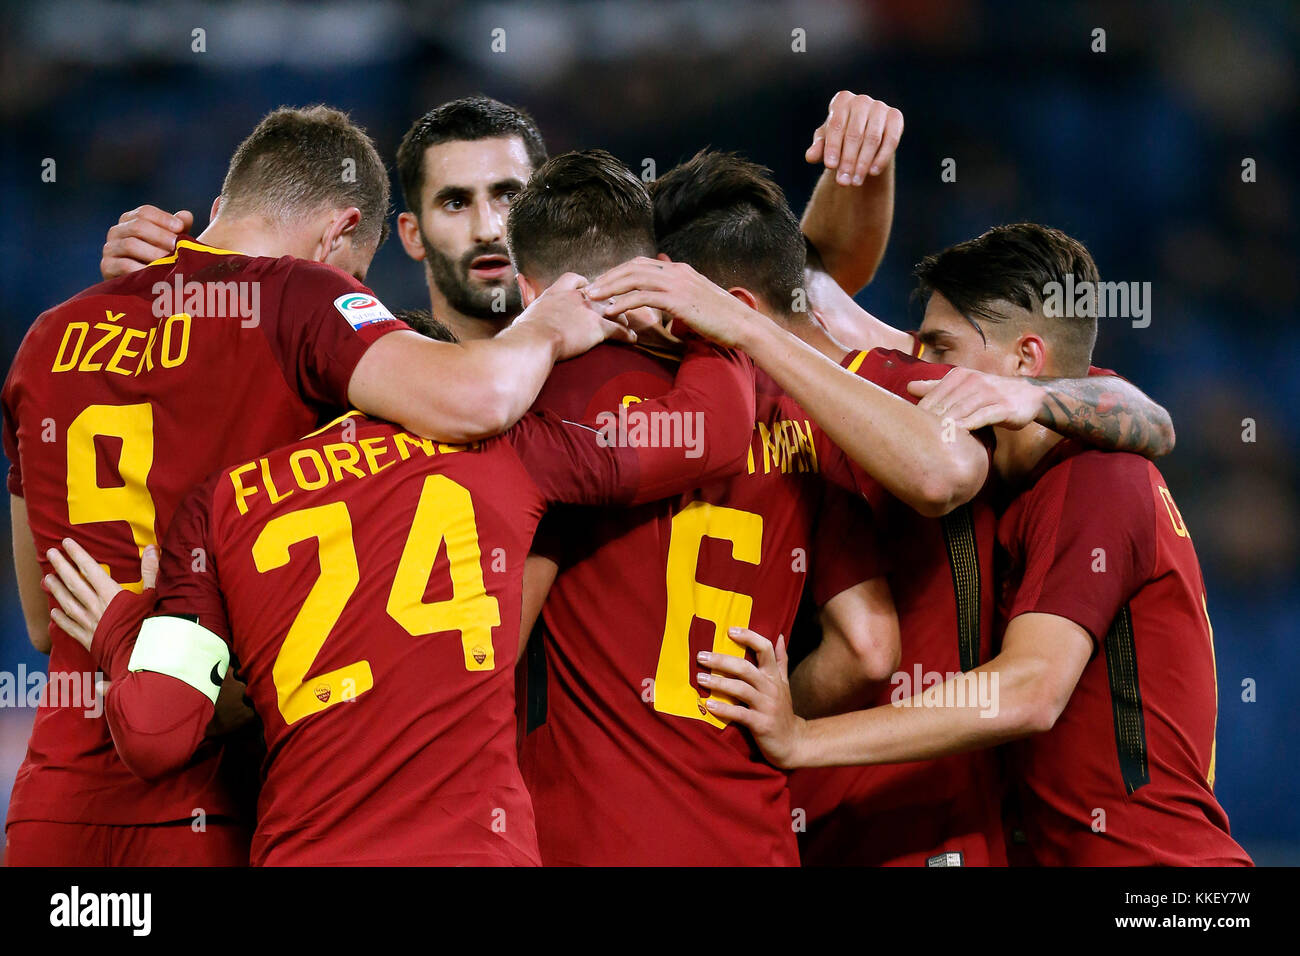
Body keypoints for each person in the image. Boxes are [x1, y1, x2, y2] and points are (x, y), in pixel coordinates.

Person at [2, 104, 630, 867]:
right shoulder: (303, 299)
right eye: (357, 279)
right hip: (215, 805)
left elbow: (42, 617)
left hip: (56, 812)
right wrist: (554, 324)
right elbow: (477, 399)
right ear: (340, 236)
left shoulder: (47, 337)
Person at [691, 224, 1251, 866]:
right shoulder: (1044, 458)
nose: (916, 369)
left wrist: (803, 738)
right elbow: (1142, 411)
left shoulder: (1097, 479)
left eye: (939, 348)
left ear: (1025, 361)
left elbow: (1028, 691)